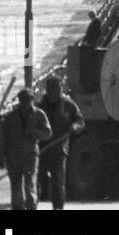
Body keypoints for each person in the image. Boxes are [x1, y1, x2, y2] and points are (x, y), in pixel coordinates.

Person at [0, 89, 51, 210]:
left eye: (27, 99)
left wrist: (34, 132)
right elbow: (3, 138)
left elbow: (48, 133)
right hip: (13, 156)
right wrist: (0, 157)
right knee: (16, 184)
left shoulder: (39, 114)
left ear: (32, 99)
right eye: (22, 100)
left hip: (30, 155)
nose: (25, 102)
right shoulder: (10, 117)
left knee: (30, 184)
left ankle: (31, 207)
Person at [38, 77, 85, 210]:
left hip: (59, 149)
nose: (56, 90)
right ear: (47, 89)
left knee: (58, 182)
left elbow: (80, 120)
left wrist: (75, 127)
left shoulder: (69, 105)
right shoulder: (40, 106)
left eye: (58, 87)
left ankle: (58, 208)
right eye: (53, 88)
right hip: (42, 149)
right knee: (38, 179)